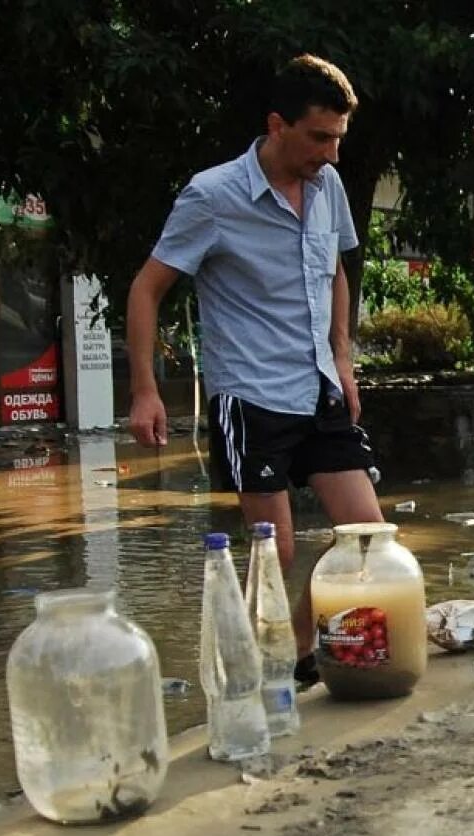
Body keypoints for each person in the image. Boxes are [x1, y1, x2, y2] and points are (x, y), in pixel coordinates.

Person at [126, 54, 380, 687]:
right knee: (277, 554)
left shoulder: (329, 187)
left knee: (367, 535)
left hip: (318, 386)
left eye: (338, 140)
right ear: (277, 124)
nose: (332, 154)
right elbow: (146, 288)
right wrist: (145, 391)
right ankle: (237, 678)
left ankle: (293, 656)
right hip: (252, 397)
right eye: (320, 138)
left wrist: (343, 357)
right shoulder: (213, 196)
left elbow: (339, 272)